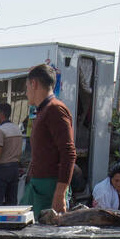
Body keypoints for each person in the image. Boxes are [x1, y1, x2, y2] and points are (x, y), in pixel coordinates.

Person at [22, 62, 76, 220]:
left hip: (50, 187)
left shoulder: (55, 109)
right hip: (36, 185)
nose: (26, 93)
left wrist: (60, 193)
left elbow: (69, 153)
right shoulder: (42, 111)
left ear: (34, 83)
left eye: (26, 87)